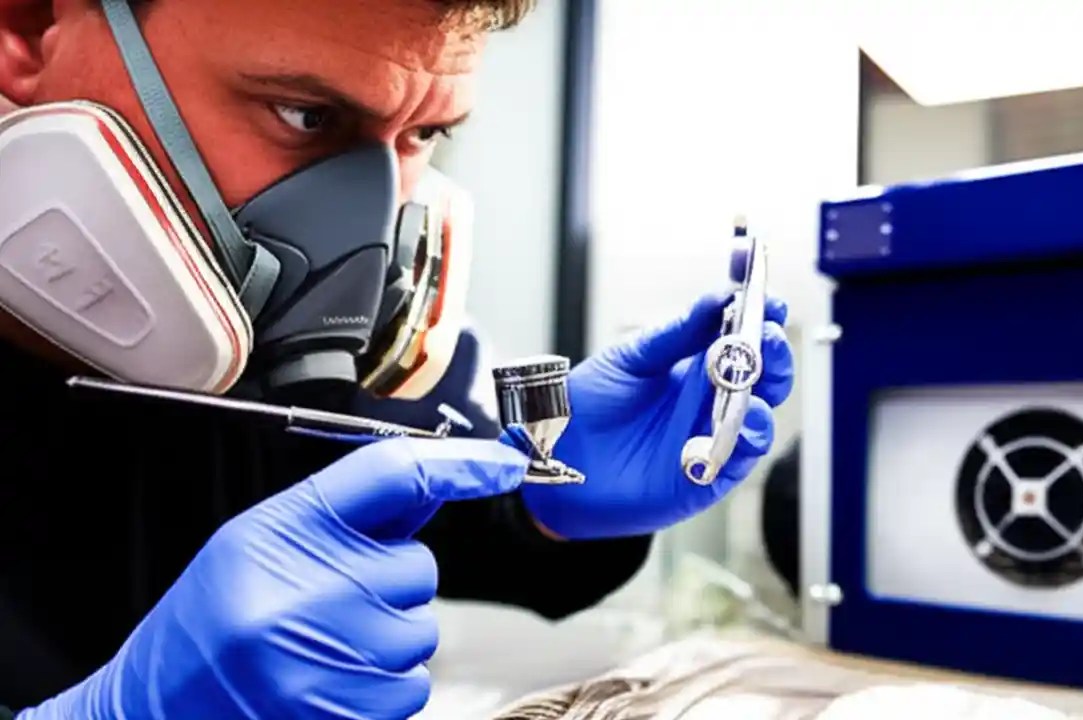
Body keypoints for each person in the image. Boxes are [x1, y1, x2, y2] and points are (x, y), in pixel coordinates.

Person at [0, 0, 795, 717]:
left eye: (422, 136)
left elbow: (462, 526)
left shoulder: (291, 343)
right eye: (306, 116)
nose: (372, 219)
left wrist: (549, 495)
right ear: (30, 31)